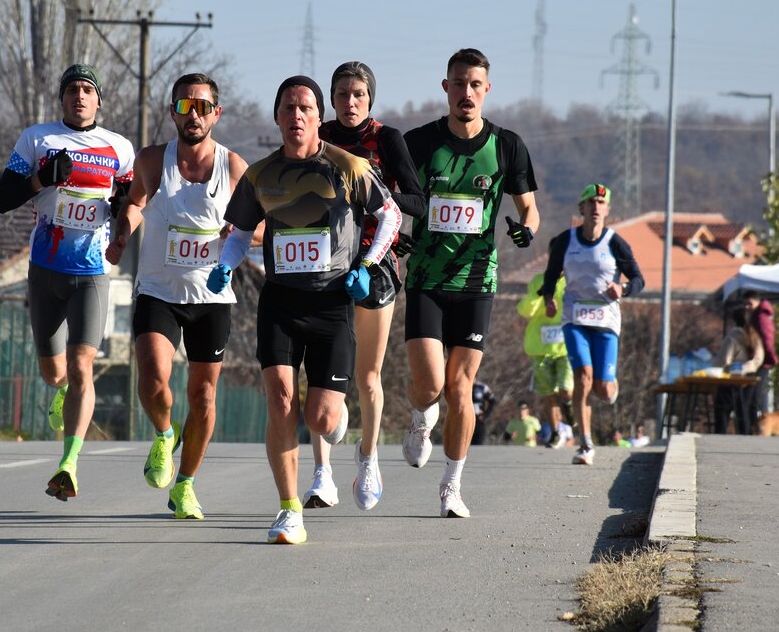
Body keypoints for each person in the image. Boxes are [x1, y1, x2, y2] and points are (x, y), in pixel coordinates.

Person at [208, 76, 400, 544]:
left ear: (319, 117)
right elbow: (240, 233)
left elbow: (391, 216)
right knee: (279, 401)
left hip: (332, 302)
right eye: (288, 108)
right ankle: (289, 509)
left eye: (305, 108)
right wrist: (226, 265)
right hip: (281, 301)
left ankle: (337, 417)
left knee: (321, 419)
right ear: (277, 117)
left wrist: (367, 264)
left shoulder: (348, 166)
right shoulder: (261, 174)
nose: (296, 115)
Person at [401, 48, 540, 518]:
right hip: (425, 278)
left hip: (477, 281)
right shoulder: (420, 142)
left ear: (487, 90)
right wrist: (395, 234)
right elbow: (391, 196)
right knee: (430, 385)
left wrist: (527, 230)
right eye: (458, 83)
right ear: (446, 88)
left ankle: (452, 486)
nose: (466, 92)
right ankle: (420, 417)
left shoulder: (506, 146)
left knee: (461, 388)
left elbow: (529, 208)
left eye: (475, 84)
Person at [104, 73, 249, 519]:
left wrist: (237, 230)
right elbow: (134, 202)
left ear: (216, 114)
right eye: (185, 106)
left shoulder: (233, 167)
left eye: (202, 107)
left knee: (203, 396)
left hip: (211, 298)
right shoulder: (152, 159)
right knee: (153, 380)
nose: (194, 115)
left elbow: (259, 226)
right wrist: (122, 234)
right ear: (173, 112)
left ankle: (185, 484)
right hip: (158, 292)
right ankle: (165, 434)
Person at [0, 64, 135, 500]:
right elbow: (2, 199)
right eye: (72, 89)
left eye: (88, 90)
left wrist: (123, 215)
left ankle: (69, 463)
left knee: (81, 365)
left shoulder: (119, 148)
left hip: (92, 274)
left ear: (99, 101)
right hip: (45, 270)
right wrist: (41, 178)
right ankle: (62, 393)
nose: (79, 96)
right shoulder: (37, 139)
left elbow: (132, 202)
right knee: (54, 372)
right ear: (62, 98)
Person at [303, 61, 425, 512]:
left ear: (370, 98)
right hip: (324, 261)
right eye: (342, 94)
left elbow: (418, 201)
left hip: (375, 261)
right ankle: (322, 474)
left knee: (367, 374)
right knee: (320, 374)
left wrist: (375, 197)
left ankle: (369, 459)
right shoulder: (319, 137)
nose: (350, 102)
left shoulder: (386, 139)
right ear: (331, 99)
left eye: (358, 94)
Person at [541, 183, 645, 466]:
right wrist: (549, 299)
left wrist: (622, 289)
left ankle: (610, 384)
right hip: (574, 317)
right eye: (591, 202)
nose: (596, 207)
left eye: (601, 203)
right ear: (582, 208)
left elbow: (639, 279)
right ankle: (585, 444)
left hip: (606, 320)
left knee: (602, 390)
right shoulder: (566, 240)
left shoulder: (615, 242)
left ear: (607, 210)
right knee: (582, 377)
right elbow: (550, 274)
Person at [517, 272, 574, 449]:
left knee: (566, 388)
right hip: (541, 348)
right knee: (549, 395)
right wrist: (538, 294)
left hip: (566, 347)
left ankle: (568, 405)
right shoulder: (538, 281)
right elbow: (526, 311)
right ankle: (555, 433)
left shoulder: (574, 279)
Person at [712, 305, 764, 435]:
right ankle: (745, 434)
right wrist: (749, 367)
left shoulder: (733, 336)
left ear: (734, 320)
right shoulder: (755, 336)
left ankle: (720, 434)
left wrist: (717, 367)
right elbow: (759, 358)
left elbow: (725, 359)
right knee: (744, 408)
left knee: (723, 408)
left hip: (732, 376)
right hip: (750, 376)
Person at [742, 290, 778, 422]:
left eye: (749, 303)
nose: (747, 307)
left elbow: (767, 339)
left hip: (761, 361)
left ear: (757, 301)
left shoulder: (761, 317)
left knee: (753, 397)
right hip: (759, 360)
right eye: (745, 304)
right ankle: (751, 425)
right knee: (752, 397)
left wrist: (771, 358)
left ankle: (751, 426)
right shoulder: (756, 315)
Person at [471, 380, 497, 445]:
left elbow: (493, 401)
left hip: (478, 420)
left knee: (478, 446)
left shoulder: (481, 387)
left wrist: (485, 415)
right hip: (464, 421)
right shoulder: (461, 385)